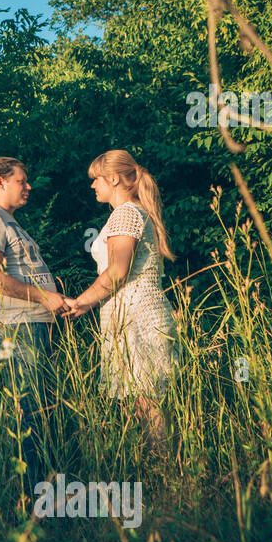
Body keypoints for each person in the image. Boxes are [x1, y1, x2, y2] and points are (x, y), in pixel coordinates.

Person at [62, 150, 179, 447]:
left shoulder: (126, 213)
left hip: (137, 317)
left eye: (96, 179)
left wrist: (82, 302)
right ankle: (156, 474)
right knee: (139, 402)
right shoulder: (132, 211)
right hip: (131, 315)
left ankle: (165, 474)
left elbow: (117, 272)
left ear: (113, 178)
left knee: (147, 403)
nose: (92, 186)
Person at [0, 157, 69, 484]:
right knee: (28, 410)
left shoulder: (10, 222)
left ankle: (44, 488)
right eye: (22, 181)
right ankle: (32, 495)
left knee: (41, 410)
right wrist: (44, 297)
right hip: (16, 327)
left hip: (33, 327)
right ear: (0, 182)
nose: (29, 187)